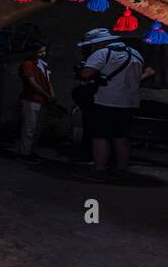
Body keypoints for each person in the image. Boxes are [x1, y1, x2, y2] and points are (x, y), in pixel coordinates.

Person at [74, 28, 155, 179]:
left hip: (106, 101)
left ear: (101, 43)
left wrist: (81, 71)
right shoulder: (135, 54)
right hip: (129, 102)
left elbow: (86, 75)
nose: (92, 47)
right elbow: (146, 74)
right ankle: (122, 169)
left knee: (100, 136)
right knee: (121, 136)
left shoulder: (102, 53)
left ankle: (99, 170)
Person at [16, 41, 55, 164]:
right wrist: (47, 94)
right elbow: (32, 83)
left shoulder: (43, 64)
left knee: (37, 128)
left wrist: (52, 93)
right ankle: (23, 153)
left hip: (42, 99)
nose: (43, 54)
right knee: (29, 127)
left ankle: (30, 150)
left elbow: (48, 81)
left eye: (44, 51)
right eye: (40, 51)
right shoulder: (27, 64)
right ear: (32, 52)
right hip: (31, 99)